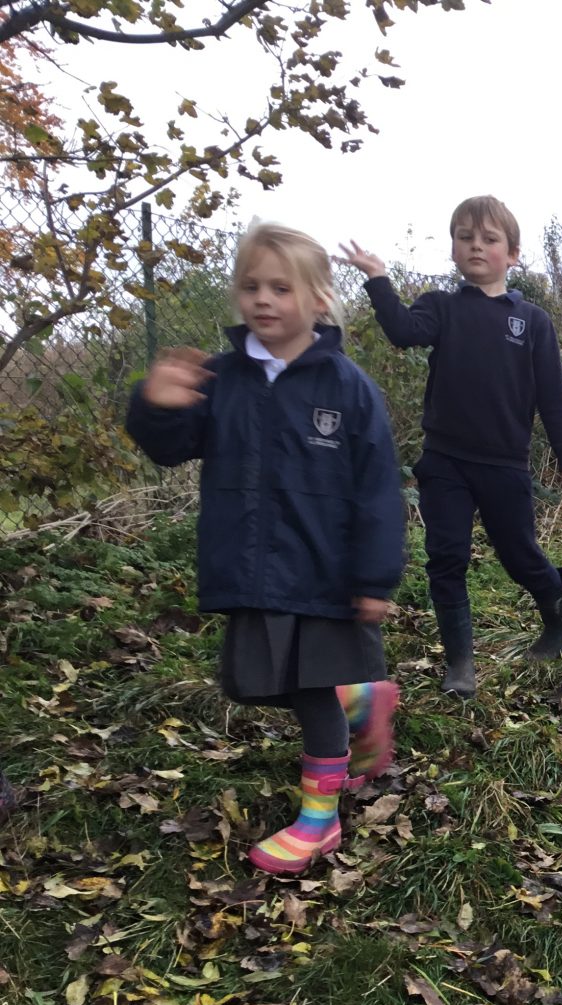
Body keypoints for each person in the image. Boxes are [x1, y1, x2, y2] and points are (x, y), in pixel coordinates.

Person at [125, 222, 405, 875]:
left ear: (318, 299)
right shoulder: (222, 379)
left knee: (308, 692)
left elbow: (378, 490)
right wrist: (155, 407)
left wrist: (375, 577)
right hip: (251, 567)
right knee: (249, 684)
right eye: (251, 286)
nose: (263, 299)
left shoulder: (347, 387)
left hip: (326, 572)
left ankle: (320, 821)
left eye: (281, 287)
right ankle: (359, 700)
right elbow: (170, 447)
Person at [338, 195, 562, 698]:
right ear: (453, 248)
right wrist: (378, 279)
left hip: (505, 464)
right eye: (465, 237)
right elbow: (403, 331)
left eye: (489, 239)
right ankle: (460, 664)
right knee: (445, 557)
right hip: (445, 460)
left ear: (512, 255)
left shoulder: (531, 321)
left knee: (519, 554)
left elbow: (553, 395)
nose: (476, 246)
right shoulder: (441, 307)